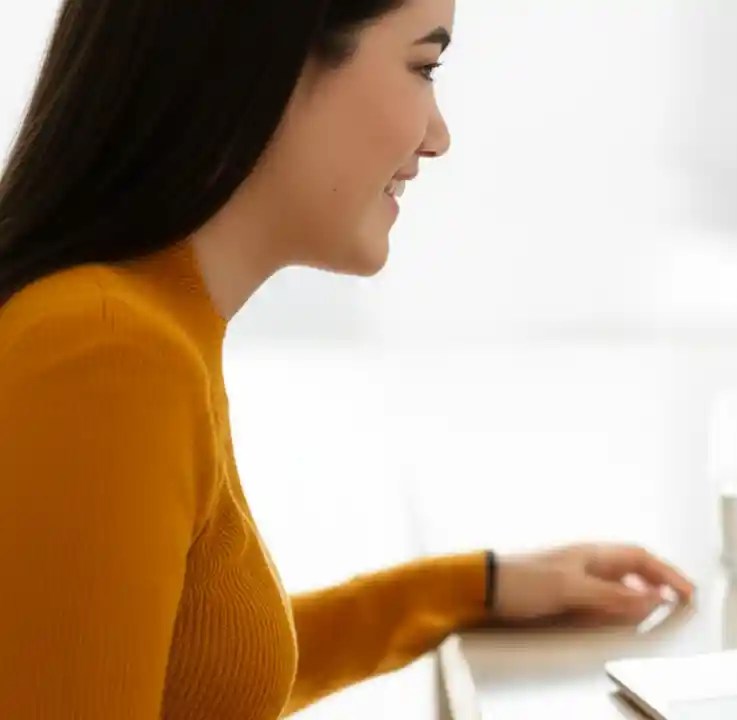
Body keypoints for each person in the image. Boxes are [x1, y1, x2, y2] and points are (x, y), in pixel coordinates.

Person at [0, 1, 694, 717]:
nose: (438, 136)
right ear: (269, 61)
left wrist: (471, 588)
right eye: (423, 66)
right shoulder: (106, 354)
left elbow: (209, 673)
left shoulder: (144, 328)